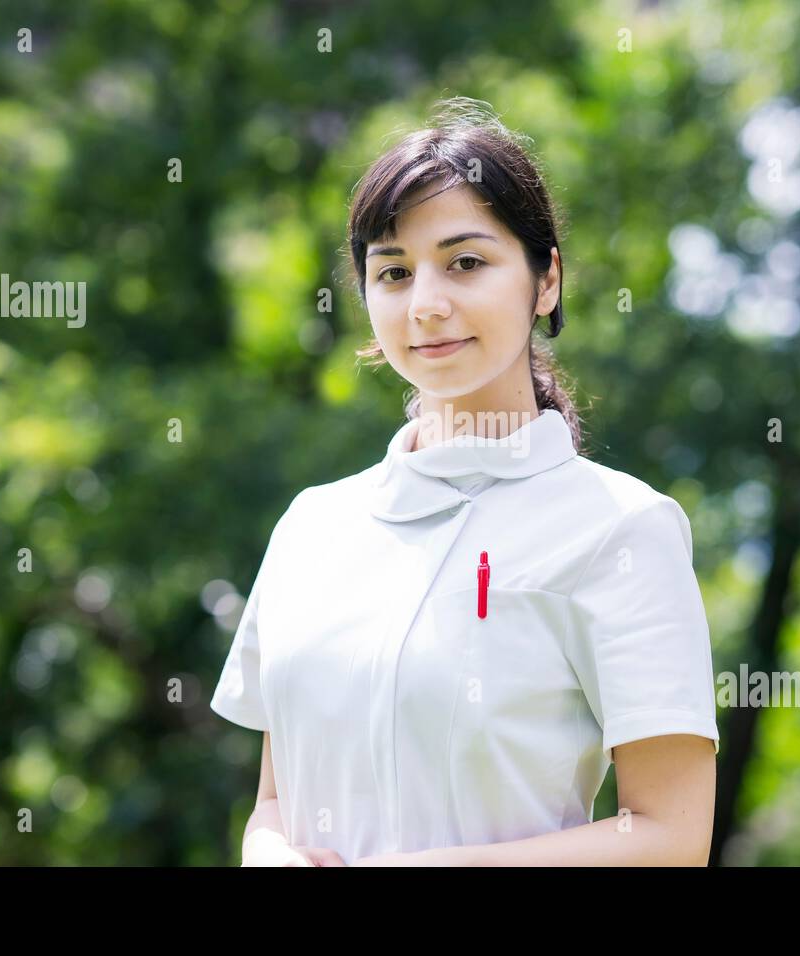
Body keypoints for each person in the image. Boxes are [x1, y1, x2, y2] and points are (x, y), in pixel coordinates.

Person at [211, 98, 719, 866]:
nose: (426, 305)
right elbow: (277, 805)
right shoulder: (311, 528)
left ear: (546, 280)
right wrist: (268, 856)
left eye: (466, 262)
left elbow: (670, 837)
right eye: (393, 272)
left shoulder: (620, 527)